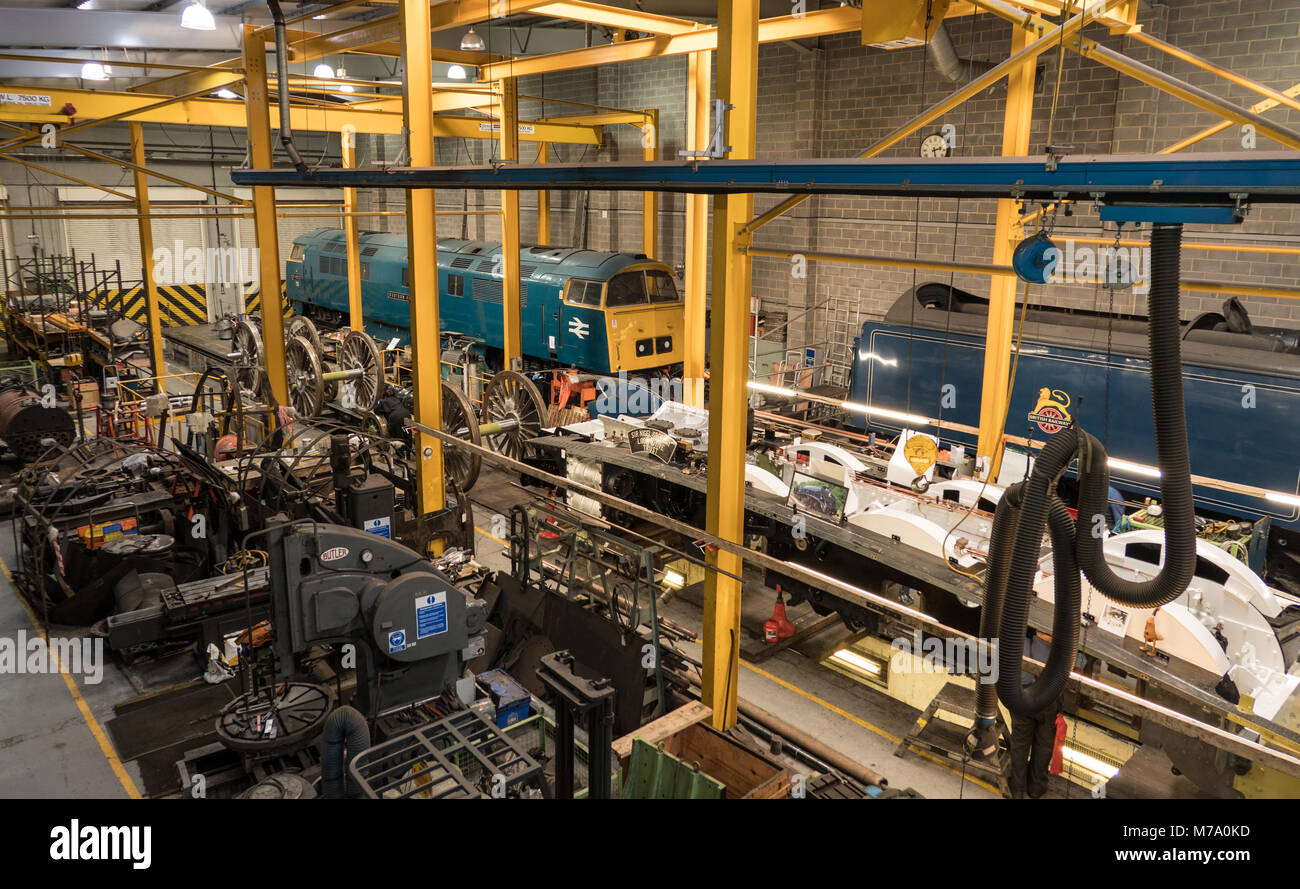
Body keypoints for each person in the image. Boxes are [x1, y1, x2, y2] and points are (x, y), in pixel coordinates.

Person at [1008, 630, 1061, 799]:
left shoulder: (1020, 637)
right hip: (1047, 699)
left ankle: (1017, 788)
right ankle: (1036, 788)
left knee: (1019, 744)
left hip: (1022, 694)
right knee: (1043, 745)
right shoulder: (1059, 648)